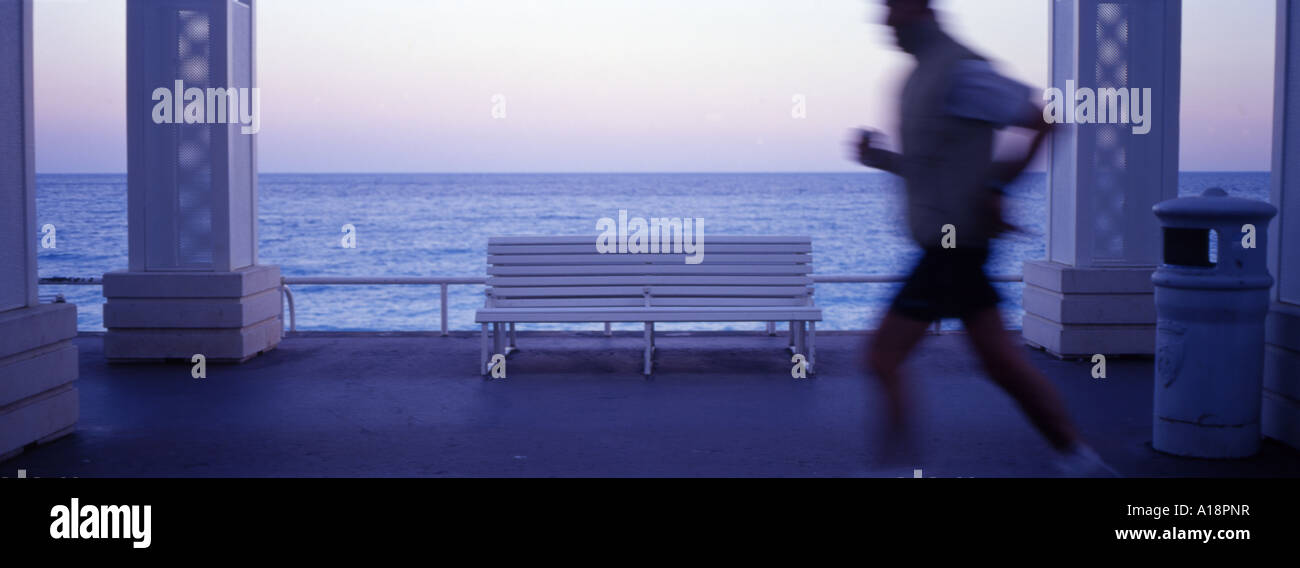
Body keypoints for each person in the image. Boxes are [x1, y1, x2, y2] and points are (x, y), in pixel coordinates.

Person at [854, 0, 1114, 476]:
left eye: (892, 9)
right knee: (1002, 365)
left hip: (952, 248)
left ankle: (895, 470)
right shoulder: (917, 77)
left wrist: (998, 187)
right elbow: (929, 168)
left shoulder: (962, 71)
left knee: (881, 356)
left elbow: (1044, 118)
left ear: (920, 9)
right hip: (954, 247)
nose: (884, 21)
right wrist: (880, 158)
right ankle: (1082, 462)